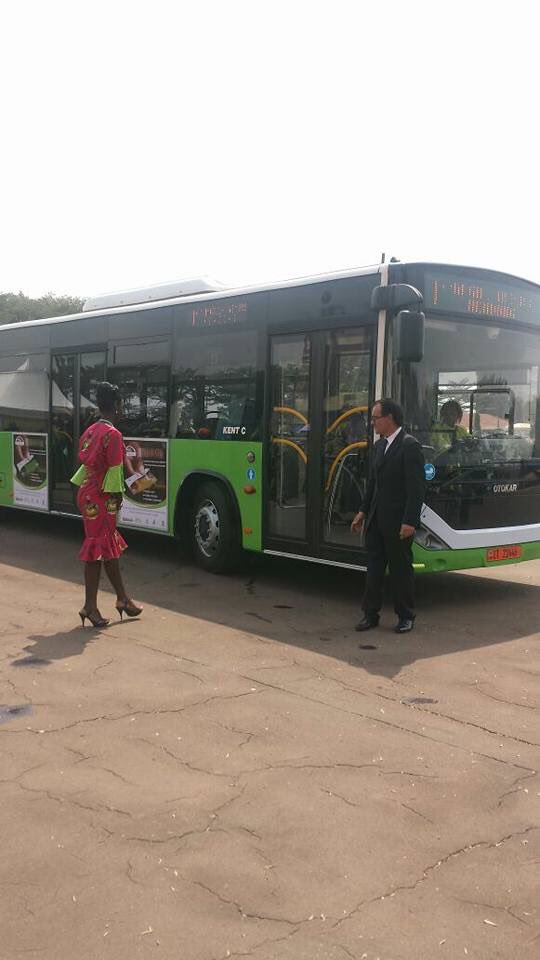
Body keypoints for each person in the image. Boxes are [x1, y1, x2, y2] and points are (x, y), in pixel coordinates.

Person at [70, 382, 142, 628]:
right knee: (96, 550)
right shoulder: (113, 434)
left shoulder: (91, 430)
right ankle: (90, 607)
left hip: (88, 493)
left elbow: (86, 466)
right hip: (102, 497)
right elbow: (113, 471)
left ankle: (123, 599)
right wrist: (118, 496)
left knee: (106, 546)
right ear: (118, 408)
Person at [351, 398, 425, 634]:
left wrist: (410, 522)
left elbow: (416, 489)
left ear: (390, 418)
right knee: (374, 569)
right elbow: (373, 484)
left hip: (398, 523)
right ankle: (370, 614)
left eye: (376, 418)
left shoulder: (409, 446)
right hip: (376, 520)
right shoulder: (380, 446)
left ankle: (406, 616)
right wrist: (362, 511)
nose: (373, 423)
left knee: (400, 570)